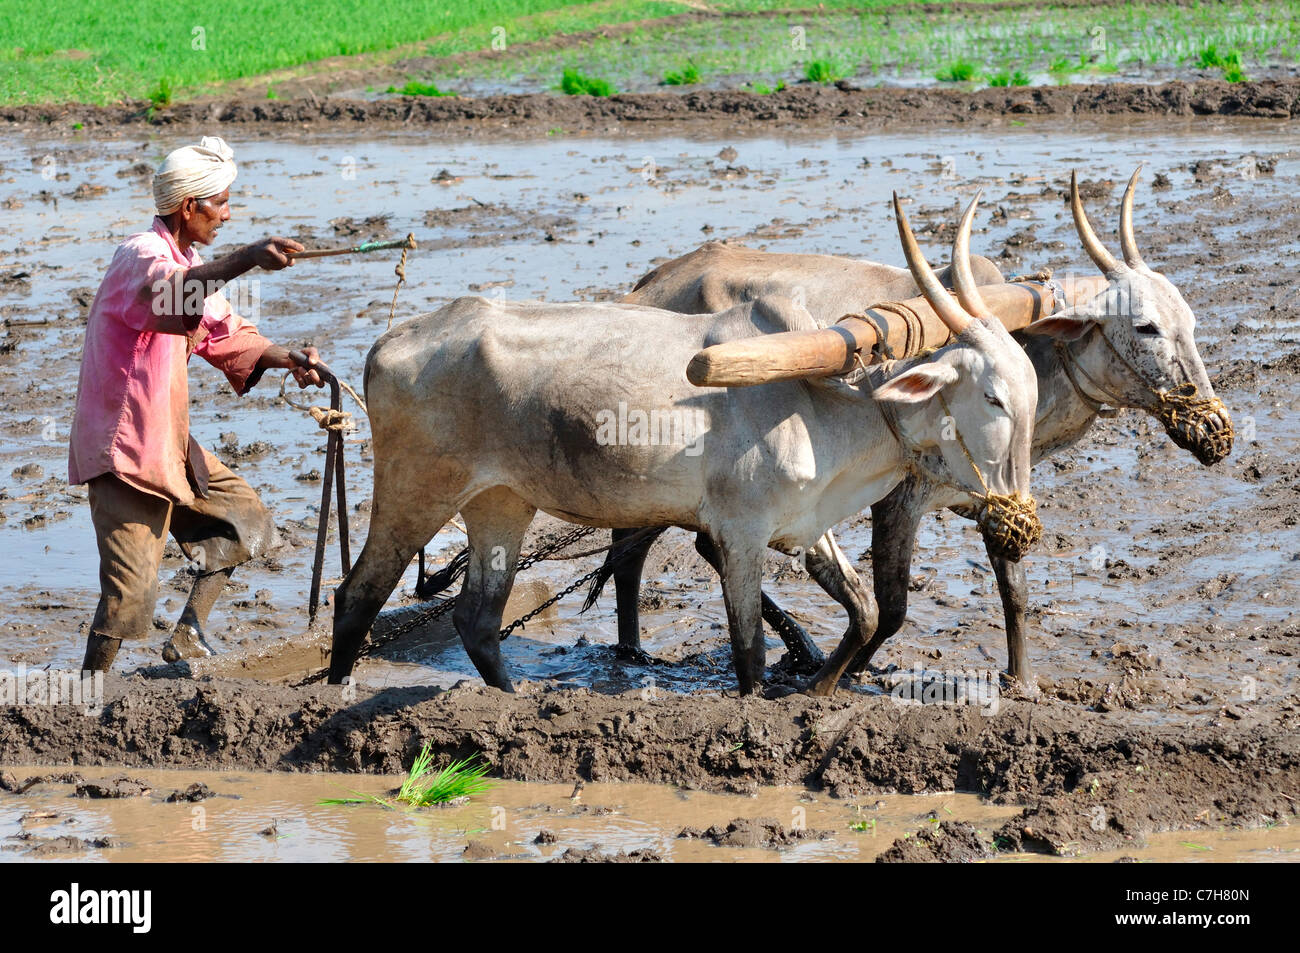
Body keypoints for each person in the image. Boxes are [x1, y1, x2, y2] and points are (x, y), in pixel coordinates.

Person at [69, 135, 325, 671]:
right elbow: (173, 296)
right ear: (190, 206)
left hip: (167, 439)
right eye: (221, 203)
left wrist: (289, 358)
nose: (227, 214)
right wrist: (247, 259)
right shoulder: (140, 256)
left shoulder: (186, 260)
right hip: (124, 450)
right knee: (130, 593)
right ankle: (85, 698)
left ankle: (187, 634)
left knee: (242, 519)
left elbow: (225, 333)